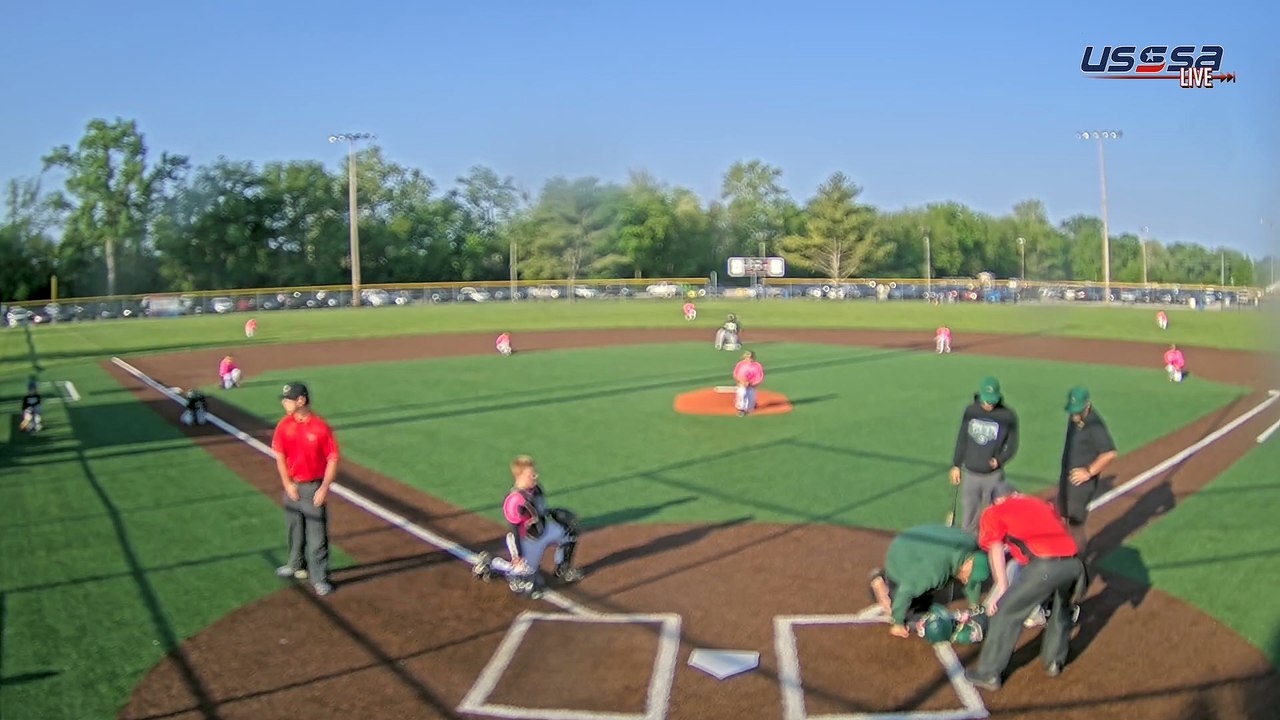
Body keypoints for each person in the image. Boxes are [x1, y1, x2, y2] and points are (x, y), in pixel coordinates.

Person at [964, 490, 1084, 690]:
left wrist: (1002, 588)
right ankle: (1054, 661)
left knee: (1006, 613)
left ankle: (989, 673)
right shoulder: (1035, 502)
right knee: (1059, 609)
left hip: (1045, 566)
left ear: (995, 500)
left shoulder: (994, 512)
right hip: (1074, 564)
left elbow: (995, 549)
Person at [471, 455, 585, 598]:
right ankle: (490, 562)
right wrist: (518, 555)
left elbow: (539, 511)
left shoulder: (536, 489)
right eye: (531, 474)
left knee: (569, 530)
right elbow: (514, 531)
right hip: (526, 540)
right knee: (525, 585)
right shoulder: (514, 501)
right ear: (520, 476)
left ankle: (563, 569)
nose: (535, 476)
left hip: (543, 529)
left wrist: (553, 513)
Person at [272, 383, 340, 597]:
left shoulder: (320, 427)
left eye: (288, 399)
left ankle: (319, 578)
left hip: (313, 487)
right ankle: (295, 565)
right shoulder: (284, 425)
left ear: (301, 400)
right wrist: (287, 484)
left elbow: (332, 457)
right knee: (294, 529)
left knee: (316, 535)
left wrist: (324, 488)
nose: (284, 402)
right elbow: (280, 455)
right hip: (292, 485)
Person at [867, 523, 991, 638]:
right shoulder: (936, 571)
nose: (967, 580)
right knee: (905, 605)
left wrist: (974, 606)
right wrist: (898, 623)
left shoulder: (972, 551)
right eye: (969, 576)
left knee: (930, 597)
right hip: (901, 553)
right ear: (966, 562)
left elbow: (973, 581)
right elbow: (906, 590)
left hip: (922, 546)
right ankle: (880, 580)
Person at [949, 376, 1019, 533]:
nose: (989, 404)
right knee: (969, 519)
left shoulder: (1007, 415)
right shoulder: (971, 411)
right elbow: (962, 438)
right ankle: (968, 553)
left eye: (992, 400)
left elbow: (1013, 445)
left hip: (993, 476)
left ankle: (989, 553)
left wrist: (1000, 460)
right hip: (971, 474)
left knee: (992, 519)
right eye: (987, 400)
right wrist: (956, 464)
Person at [1059, 386, 1118, 555]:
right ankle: (1066, 555)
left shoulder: (1095, 425)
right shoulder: (1075, 418)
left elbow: (1109, 453)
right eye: (1072, 411)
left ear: (1087, 405)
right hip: (1067, 479)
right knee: (1063, 518)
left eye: (1078, 411)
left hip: (1080, 485)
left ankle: (1079, 565)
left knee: (1076, 525)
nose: (1074, 415)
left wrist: (1089, 471)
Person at [732, 350, 764, 417]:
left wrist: (752, 383)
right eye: (747, 357)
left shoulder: (757, 365)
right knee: (742, 393)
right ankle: (741, 409)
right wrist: (741, 381)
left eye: (750, 357)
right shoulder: (740, 364)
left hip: (751, 385)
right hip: (742, 384)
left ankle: (751, 404)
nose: (749, 359)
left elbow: (759, 376)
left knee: (750, 405)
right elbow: (735, 374)